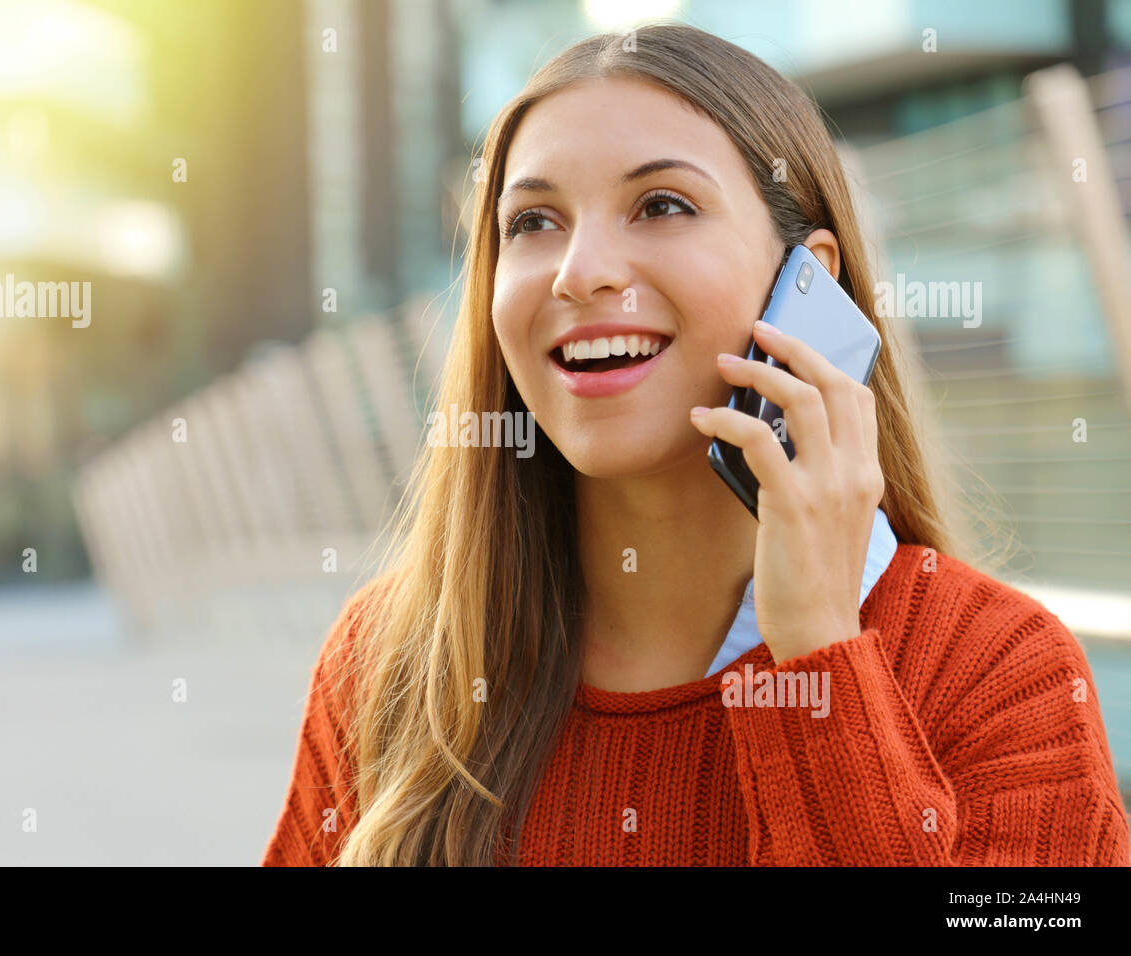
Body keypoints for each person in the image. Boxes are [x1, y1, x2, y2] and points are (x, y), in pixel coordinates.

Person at [262, 22, 1129, 866]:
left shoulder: (1003, 678)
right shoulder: (391, 663)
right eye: (532, 222)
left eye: (662, 205)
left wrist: (820, 660)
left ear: (808, 283)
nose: (579, 271)